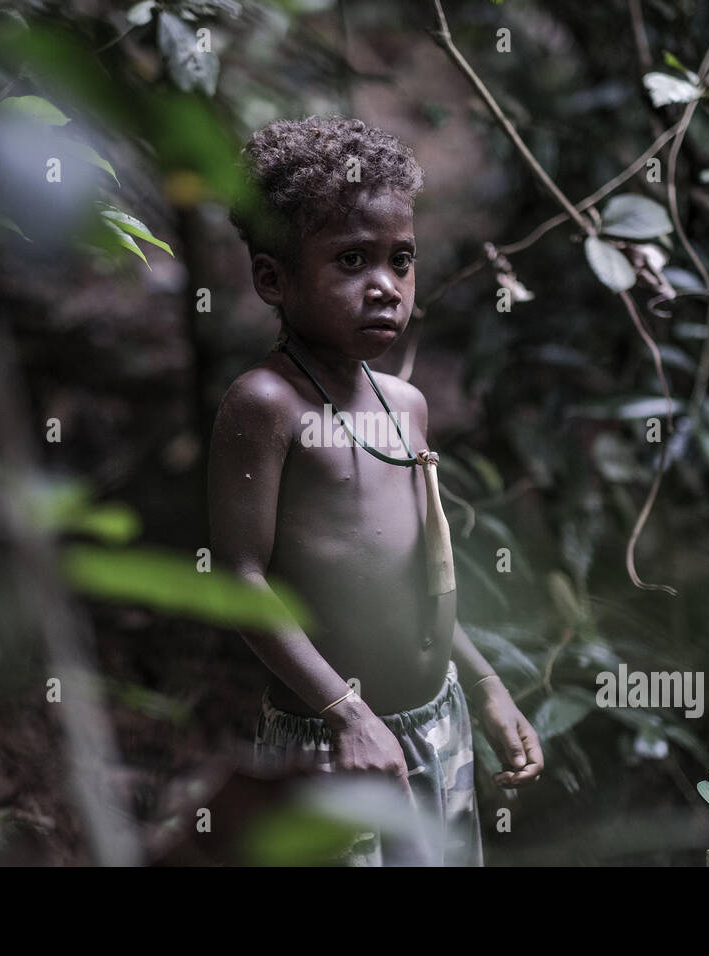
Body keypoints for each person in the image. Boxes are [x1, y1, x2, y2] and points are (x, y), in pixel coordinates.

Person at [209, 115, 542, 865]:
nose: (385, 287)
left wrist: (485, 684)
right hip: (335, 740)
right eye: (352, 260)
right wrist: (344, 711)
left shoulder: (406, 403)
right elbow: (237, 576)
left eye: (402, 259)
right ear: (274, 278)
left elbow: (420, 574)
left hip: (436, 721)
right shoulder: (265, 404)